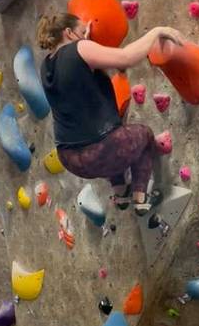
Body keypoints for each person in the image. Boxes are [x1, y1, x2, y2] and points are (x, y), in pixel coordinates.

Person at [38, 12, 185, 215]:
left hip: (71, 159)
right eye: (82, 31)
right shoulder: (80, 48)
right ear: (69, 33)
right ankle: (140, 199)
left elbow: (76, 73)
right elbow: (125, 59)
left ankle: (120, 193)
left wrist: (85, 42)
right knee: (143, 136)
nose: (85, 35)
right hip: (100, 150)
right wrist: (158, 31)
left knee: (115, 142)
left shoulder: (46, 66)